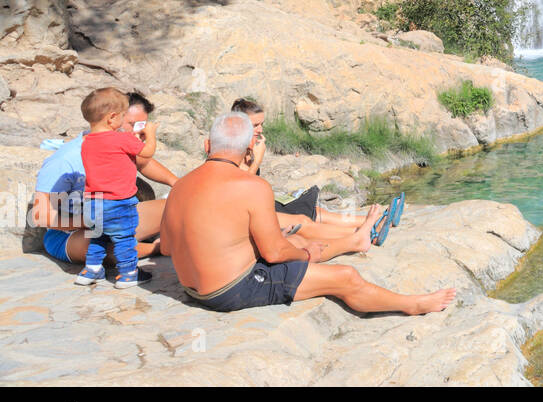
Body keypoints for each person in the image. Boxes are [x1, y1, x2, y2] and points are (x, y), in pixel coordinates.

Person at [161, 113, 456, 315]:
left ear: (207, 145)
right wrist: (305, 255)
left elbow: (169, 246)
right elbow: (275, 253)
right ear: (249, 149)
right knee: (345, 276)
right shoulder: (253, 186)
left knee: (296, 242)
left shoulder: (180, 186)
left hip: (192, 288)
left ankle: (355, 240)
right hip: (229, 291)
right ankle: (412, 304)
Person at [31, 91, 176, 267]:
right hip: (70, 233)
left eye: (142, 124)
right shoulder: (66, 159)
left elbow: (144, 163)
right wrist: (87, 222)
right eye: (132, 124)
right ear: (113, 119)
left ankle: (155, 243)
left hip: (112, 217)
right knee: (100, 247)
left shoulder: (117, 145)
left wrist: (178, 184)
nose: (140, 130)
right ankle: (157, 248)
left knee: (180, 204)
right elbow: (40, 215)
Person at [229, 97, 393, 246]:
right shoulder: (231, 152)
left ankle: (373, 221)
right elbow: (238, 194)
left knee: (312, 209)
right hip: (247, 216)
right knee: (302, 220)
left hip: (259, 206)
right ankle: (365, 233)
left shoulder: (249, 148)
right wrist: (257, 161)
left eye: (262, 124)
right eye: (255, 125)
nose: (261, 130)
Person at [76, 88, 158, 288]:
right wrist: (151, 134)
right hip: (119, 203)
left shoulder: (86, 142)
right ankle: (129, 273)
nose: (123, 122)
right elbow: (147, 153)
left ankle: (91, 269)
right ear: (112, 118)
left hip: (92, 203)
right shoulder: (121, 139)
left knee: (98, 237)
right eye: (123, 117)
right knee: (125, 240)